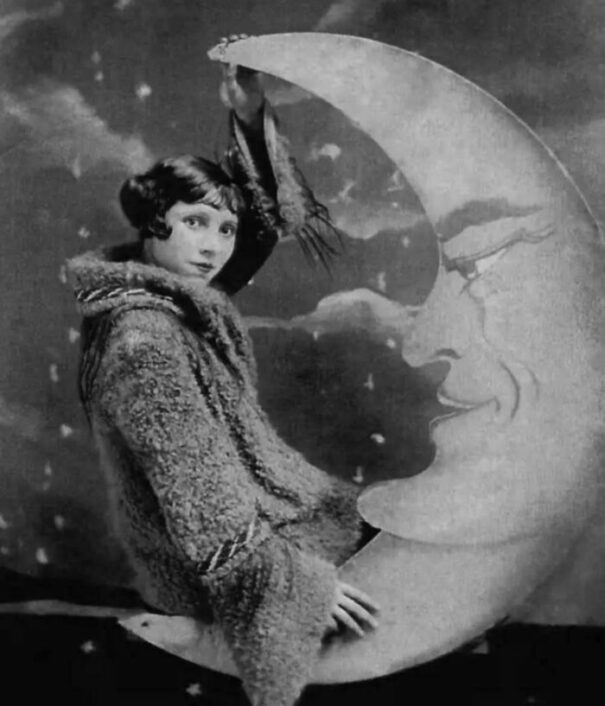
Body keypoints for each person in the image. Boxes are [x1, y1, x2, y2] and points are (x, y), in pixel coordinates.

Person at [66, 54, 378, 706]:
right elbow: (197, 493)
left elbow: (264, 223)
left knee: (384, 525)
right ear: (154, 225)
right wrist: (293, 585)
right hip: (209, 562)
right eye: (194, 223)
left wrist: (249, 116)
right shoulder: (145, 341)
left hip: (245, 514)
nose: (214, 246)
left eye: (224, 229)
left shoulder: (176, 294)